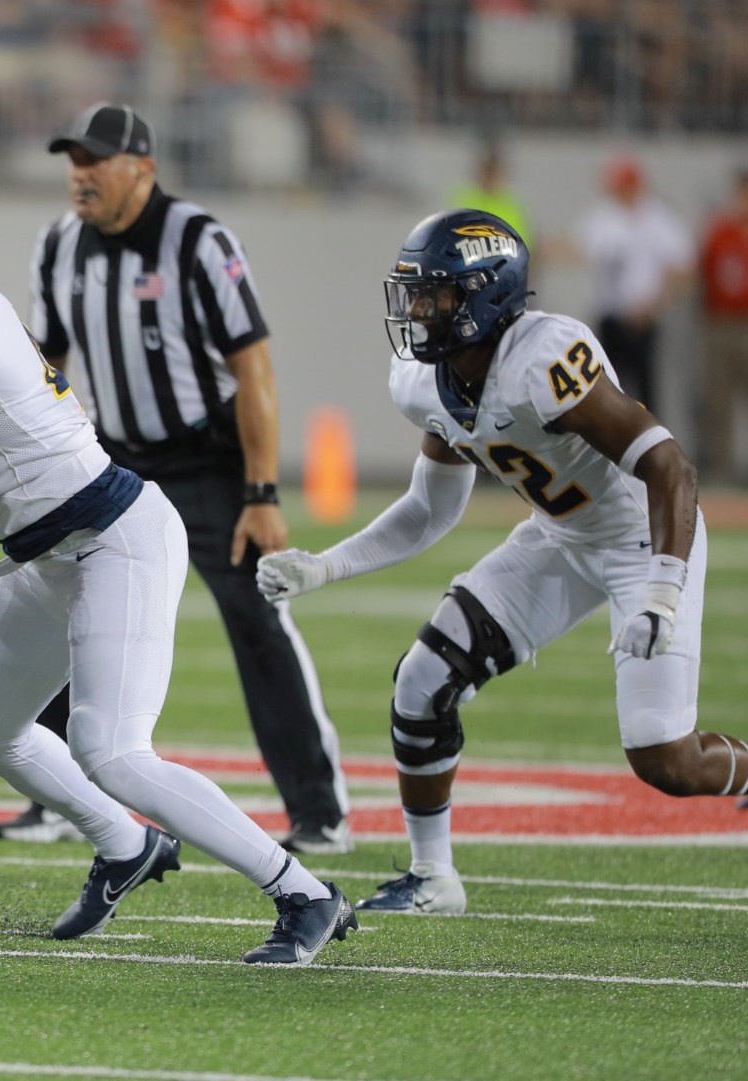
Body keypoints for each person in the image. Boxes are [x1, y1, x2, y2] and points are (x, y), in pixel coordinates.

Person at [0, 155, 356, 965]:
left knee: (114, 751)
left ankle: (305, 892)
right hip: (47, 556)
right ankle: (126, 843)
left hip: (113, 536)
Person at [259, 209, 748, 915]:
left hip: (643, 537)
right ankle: (433, 878)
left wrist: (662, 592)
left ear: (485, 296)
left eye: (435, 294)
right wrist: (326, 567)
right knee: (422, 680)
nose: (418, 311)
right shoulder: (424, 380)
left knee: (664, 758)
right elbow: (429, 510)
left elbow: (671, 468)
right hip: (558, 536)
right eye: (415, 294)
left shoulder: (545, 360)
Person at [0, 102, 350, 854]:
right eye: (73, 160)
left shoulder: (197, 240)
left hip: (205, 460)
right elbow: (45, 366)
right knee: (65, 604)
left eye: (95, 160)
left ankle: (318, 811)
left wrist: (261, 493)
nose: (80, 175)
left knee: (256, 618)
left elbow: (253, 368)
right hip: (114, 459)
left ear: (142, 170)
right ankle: (57, 800)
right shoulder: (58, 245)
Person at [572, 154, 693, 411]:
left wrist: (654, 305)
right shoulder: (605, 216)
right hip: (611, 317)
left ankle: (647, 438)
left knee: (646, 393)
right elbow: (578, 247)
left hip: (644, 319)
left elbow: (682, 271)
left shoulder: (659, 219)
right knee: (607, 392)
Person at [697, 168, 748, 486]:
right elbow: (705, 273)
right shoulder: (719, 231)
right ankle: (722, 467)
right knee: (720, 398)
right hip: (723, 323)